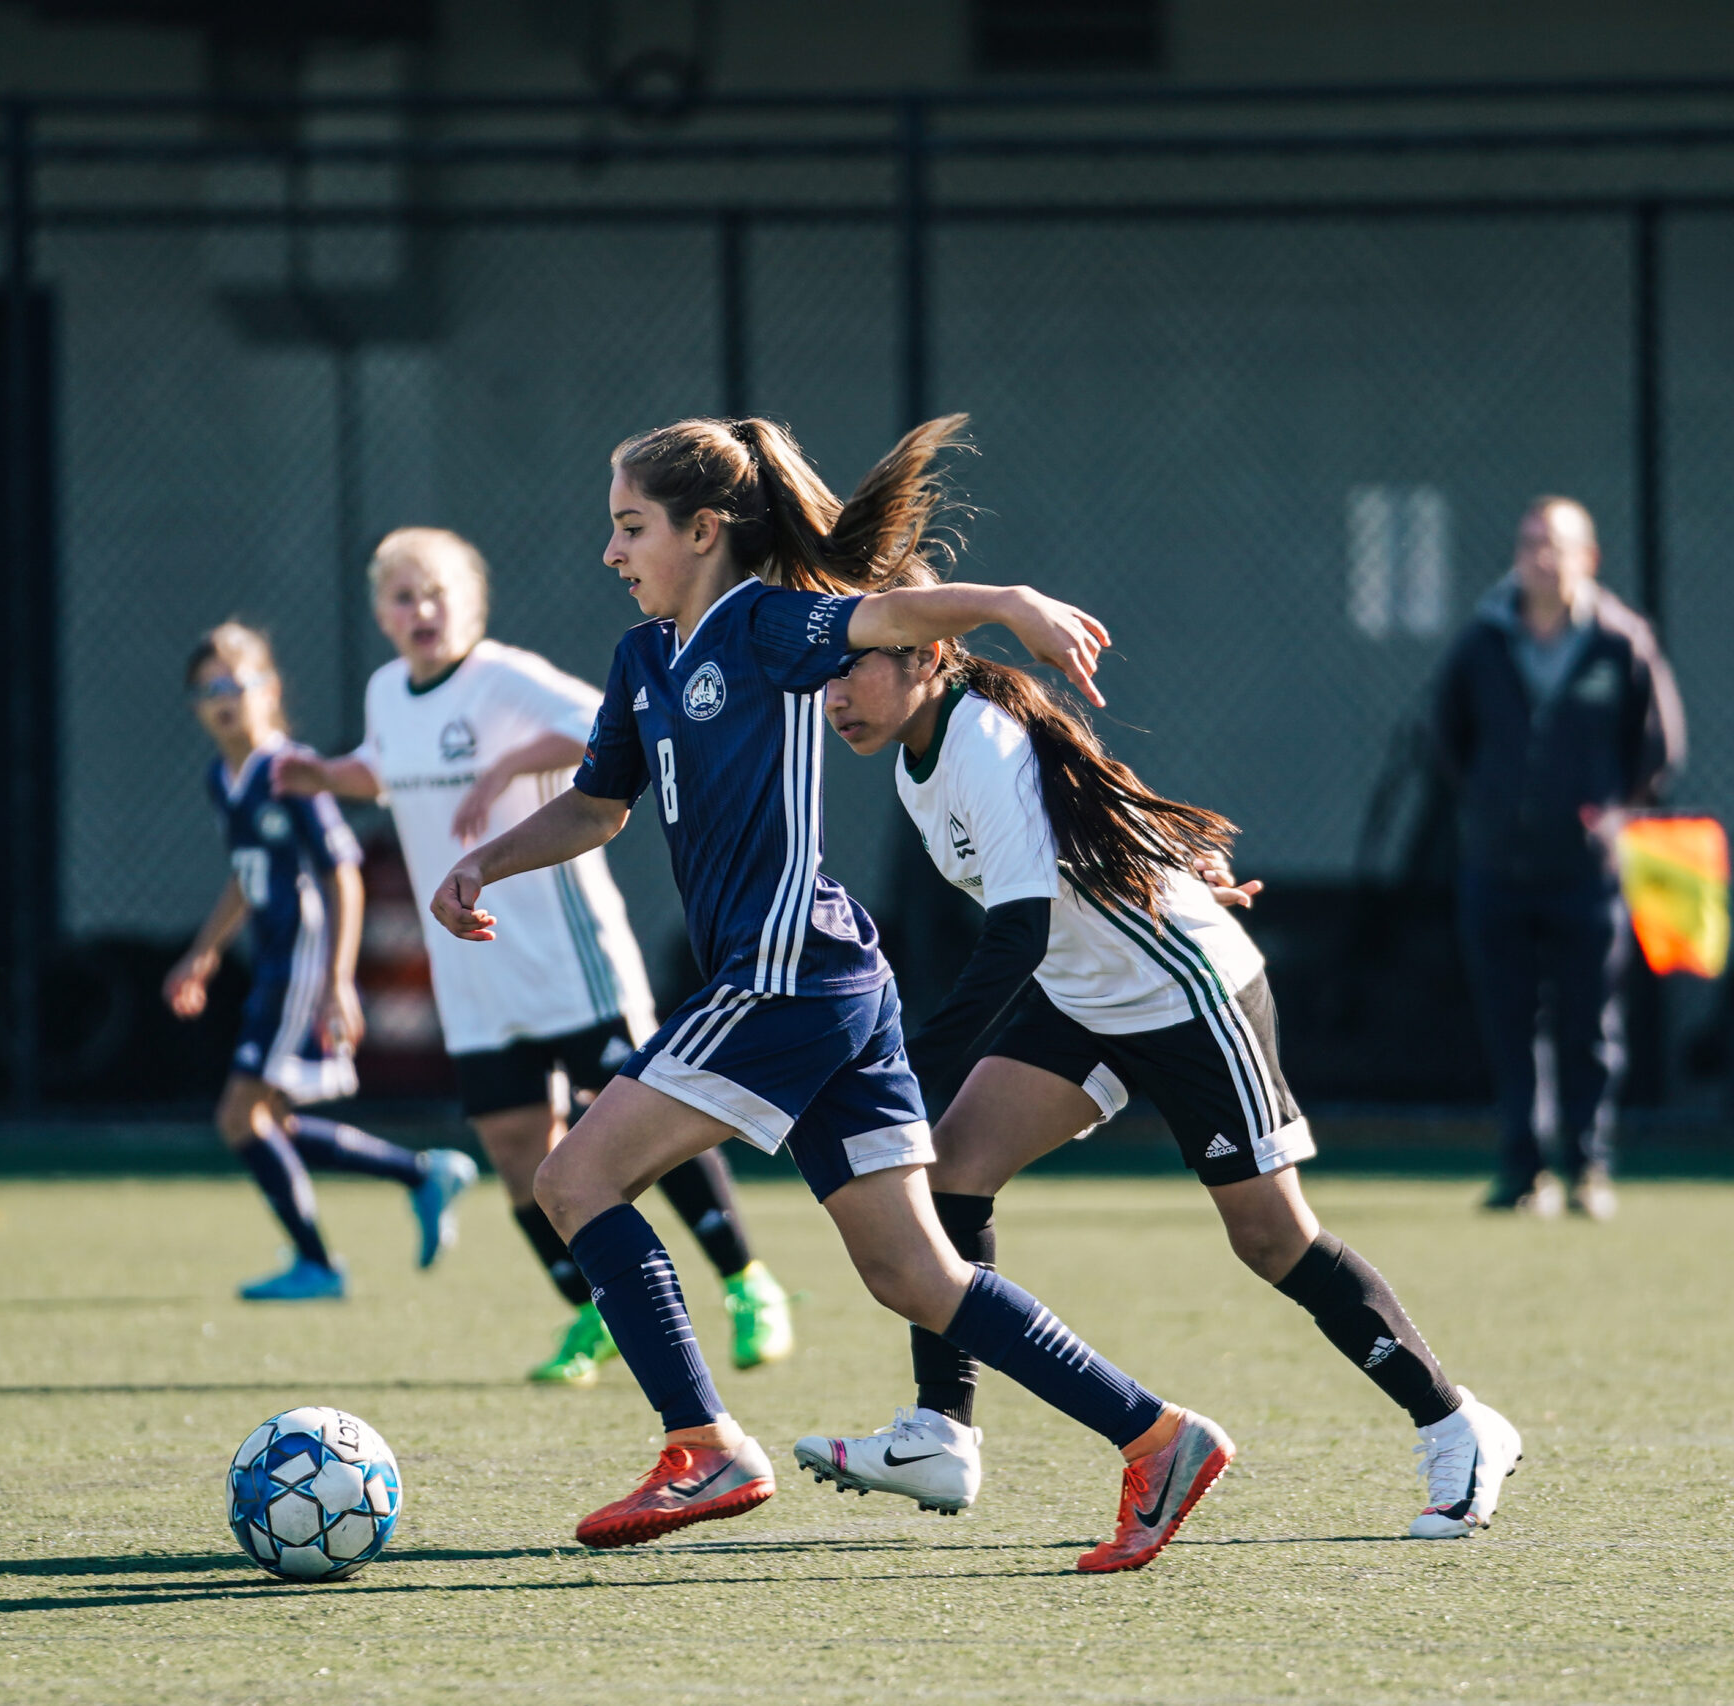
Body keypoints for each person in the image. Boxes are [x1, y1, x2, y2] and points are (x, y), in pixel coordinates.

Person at [432, 414, 1232, 1572]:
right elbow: (601, 808)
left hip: (786, 973)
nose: (611, 553)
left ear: (704, 530)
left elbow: (894, 616)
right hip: (822, 978)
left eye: (630, 526)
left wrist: (1008, 598)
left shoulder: (761, 624)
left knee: (574, 1173)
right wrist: (482, 860)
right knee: (912, 1272)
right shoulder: (641, 659)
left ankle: (702, 1441)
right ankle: (1157, 1435)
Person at [811, 426, 1522, 1540]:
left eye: (850, 662)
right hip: (1087, 992)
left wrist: (897, 1062)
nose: (831, 691)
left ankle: (1456, 1423)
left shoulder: (978, 737)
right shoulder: (913, 754)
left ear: (927, 651)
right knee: (952, 1170)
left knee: (1271, 1239)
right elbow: (1081, 804)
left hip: (1186, 989)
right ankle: (939, 1434)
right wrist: (1163, 851)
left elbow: (1008, 938)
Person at [274, 527, 793, 1385]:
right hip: (473, 971)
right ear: (381, 612)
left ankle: (746, 1280)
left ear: (472, 604)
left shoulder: (503, 678)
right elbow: (385, 767)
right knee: (516, 1145)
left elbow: (605, 719)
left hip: (564, 956)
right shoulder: (387, 692)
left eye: (437, 592)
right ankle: (592, 1316)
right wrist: (322, 775)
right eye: (403, 596)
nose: (422, 609)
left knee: (642, 1117)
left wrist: (505, 762)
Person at [166, 622, 476, 1302]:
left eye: (236, 684)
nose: (223, 700)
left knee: (238, 1117)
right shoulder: (223, 779)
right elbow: (244, 877)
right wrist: (204, 953)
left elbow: (344, 873)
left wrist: (338, 979)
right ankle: (419, 1175)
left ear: (269, 690)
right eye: (208, 689)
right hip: (273, 954)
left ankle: (318, 1264)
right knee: (266, 1120)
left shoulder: (292, 770)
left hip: (303, 958)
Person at [1431, 497, 1683, 1221]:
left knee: (1589, 1026)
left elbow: (1658, 746)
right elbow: (1448, 736)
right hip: (1495, 870)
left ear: (1588, 558)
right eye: (1530, 541)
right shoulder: (1481, 643)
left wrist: (1614, 815)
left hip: (1588, 876)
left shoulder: (1621, 642)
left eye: (1556, 544)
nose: (1540, 556)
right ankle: (1522, 1171)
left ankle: (1589, 1168)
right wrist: (1488, 801)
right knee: (1511, 1022)